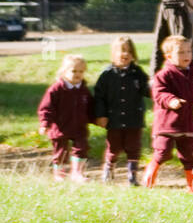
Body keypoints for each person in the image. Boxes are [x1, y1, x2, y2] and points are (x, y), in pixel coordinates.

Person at [143, 36, 193, 191]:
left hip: (189, 124)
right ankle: (149, 178)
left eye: (189, 51)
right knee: (162, 152)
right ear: (169, 56)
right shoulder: (164, 75)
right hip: (168, 125)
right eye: (181, 52)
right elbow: (159, 93)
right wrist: (171, 100)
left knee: (192, 156)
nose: (186, 55)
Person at [92, 36, 150, 185]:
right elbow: (99, 97)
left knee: (134, 147)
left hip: (133, 118)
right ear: (113, 54)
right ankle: (109, 170)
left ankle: (132, 175)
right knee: (114, 147)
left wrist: (157, 89)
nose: (126, 54)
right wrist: (101, 115)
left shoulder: (137, 73)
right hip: (114, 119)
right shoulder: (107, 75)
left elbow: (147, 90)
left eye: (129, 51)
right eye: (122, 51)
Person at [38, 54, 92, 182]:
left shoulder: (83, 90)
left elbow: (90, 107)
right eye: (73, 71)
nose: (77, 74)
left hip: (79, 126)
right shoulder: (56, 89)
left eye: (81, 71)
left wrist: (97, 118)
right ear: (64, 71)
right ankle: (60, 173)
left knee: (81, 148)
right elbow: (46, 107)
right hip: (60, 127)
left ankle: (77, 172)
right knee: (60, 151)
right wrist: (45, 123)